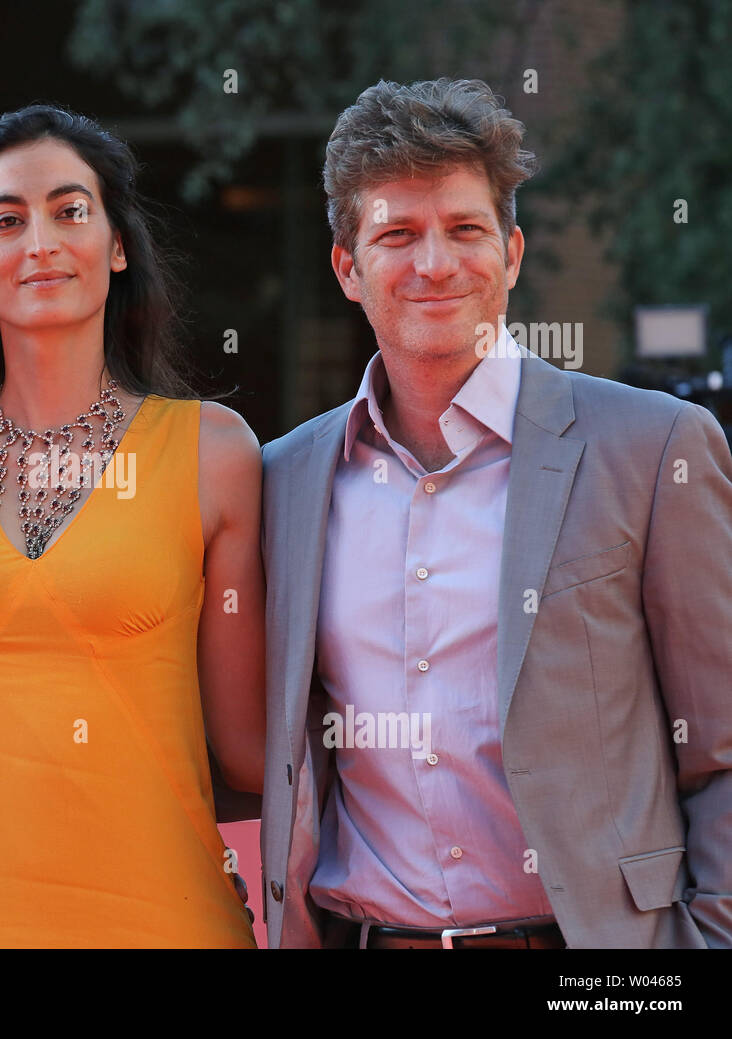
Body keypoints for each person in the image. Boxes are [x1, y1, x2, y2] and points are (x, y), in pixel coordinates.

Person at [260, 78, 732, 949]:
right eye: (396, 234)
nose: (434, 263)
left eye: (465, 230)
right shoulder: (285, 479)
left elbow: (722, 750)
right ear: (347, 268)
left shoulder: (652, 446)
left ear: (511, 253)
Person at [0, 104, 265, 947]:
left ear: (117, 246)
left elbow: (245, 751)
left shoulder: (213, 453)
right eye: (6, 220)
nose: (40, 242)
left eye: (70, 210)